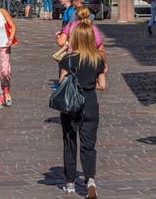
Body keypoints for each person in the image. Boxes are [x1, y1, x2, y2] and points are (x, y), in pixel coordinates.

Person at [59, 19, 106, 198]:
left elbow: (62, 81)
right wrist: (91, 82)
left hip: (71, 104)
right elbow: (102, 84)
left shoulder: (68, 60)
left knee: (70, 142)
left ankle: (70, 183)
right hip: (90, 102)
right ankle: (90, 180)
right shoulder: (97, 60)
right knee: (89, 145)